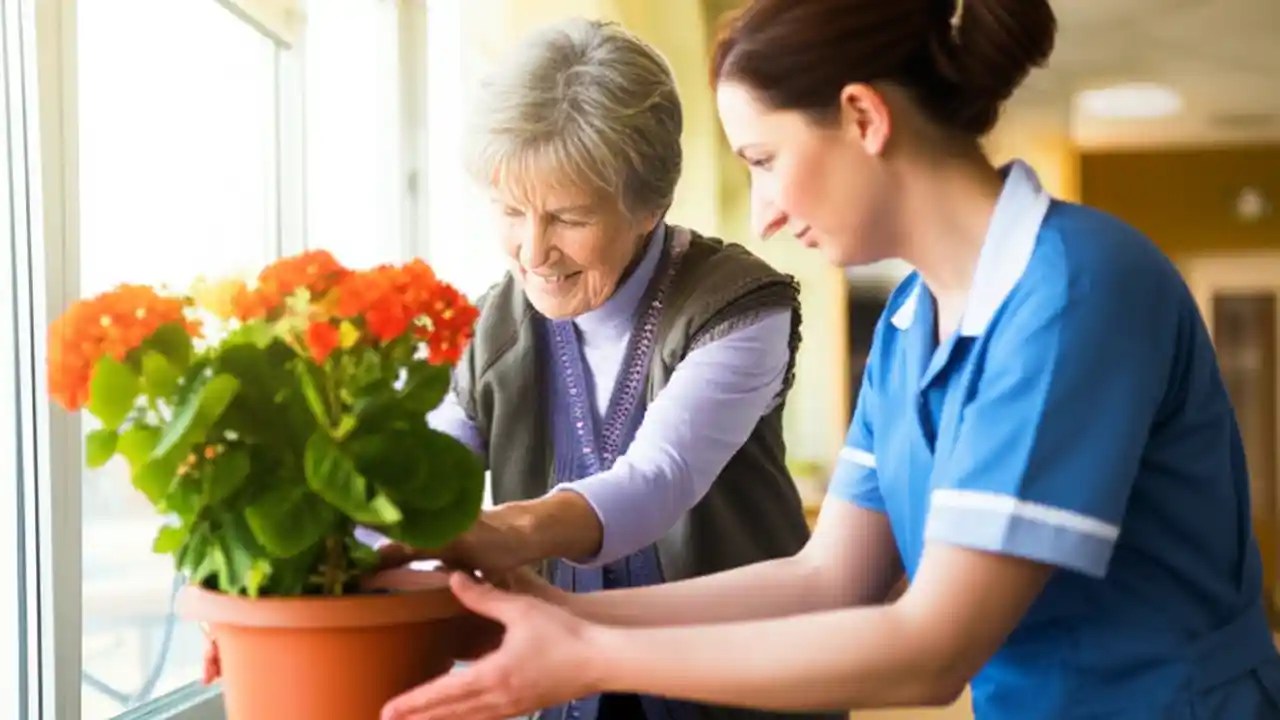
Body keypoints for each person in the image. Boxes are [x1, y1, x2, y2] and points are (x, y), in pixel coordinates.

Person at [377, 1, 1280, 719]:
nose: (762, 212)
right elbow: (829, 580)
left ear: (862, 116)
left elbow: (933, 651)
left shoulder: (1075, 289)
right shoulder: (909, 324)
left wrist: (591, 652)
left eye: (765, 160)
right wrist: (567, 612)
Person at [369, 16, 838, 720]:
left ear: (649, 206)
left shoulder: (738, 307)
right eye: (509, 210)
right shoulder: (493, 326)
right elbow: (424, 476)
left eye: (568, 218)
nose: (533, 251)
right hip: (569, 695)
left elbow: (658, 478)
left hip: (740, 691)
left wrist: (504, 531)